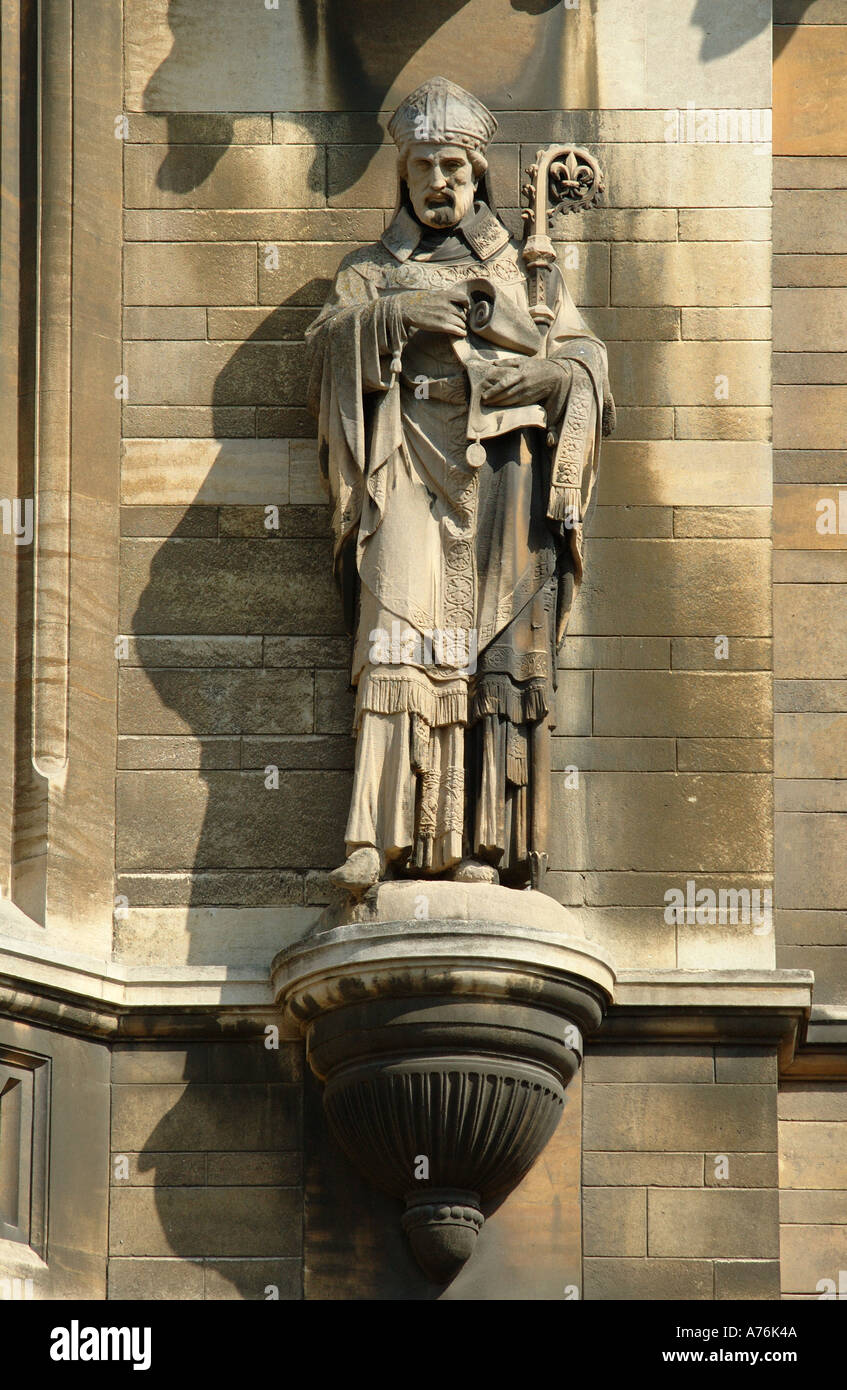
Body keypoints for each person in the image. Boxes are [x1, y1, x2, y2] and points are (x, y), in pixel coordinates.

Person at [306, 77, 612, 893]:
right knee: (395, 633)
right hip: (401, 462)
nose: (439, 183)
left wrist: (549, 380)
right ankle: (377, 836)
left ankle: (485, 846)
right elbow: (325, 353)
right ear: (401, 178)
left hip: (501, 472)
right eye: (423, 168)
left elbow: (587, 368)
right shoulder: (370, 274)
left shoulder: (524, 270)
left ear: (477, 175)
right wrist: (394, 321)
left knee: (490, 651)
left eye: (453, 168)